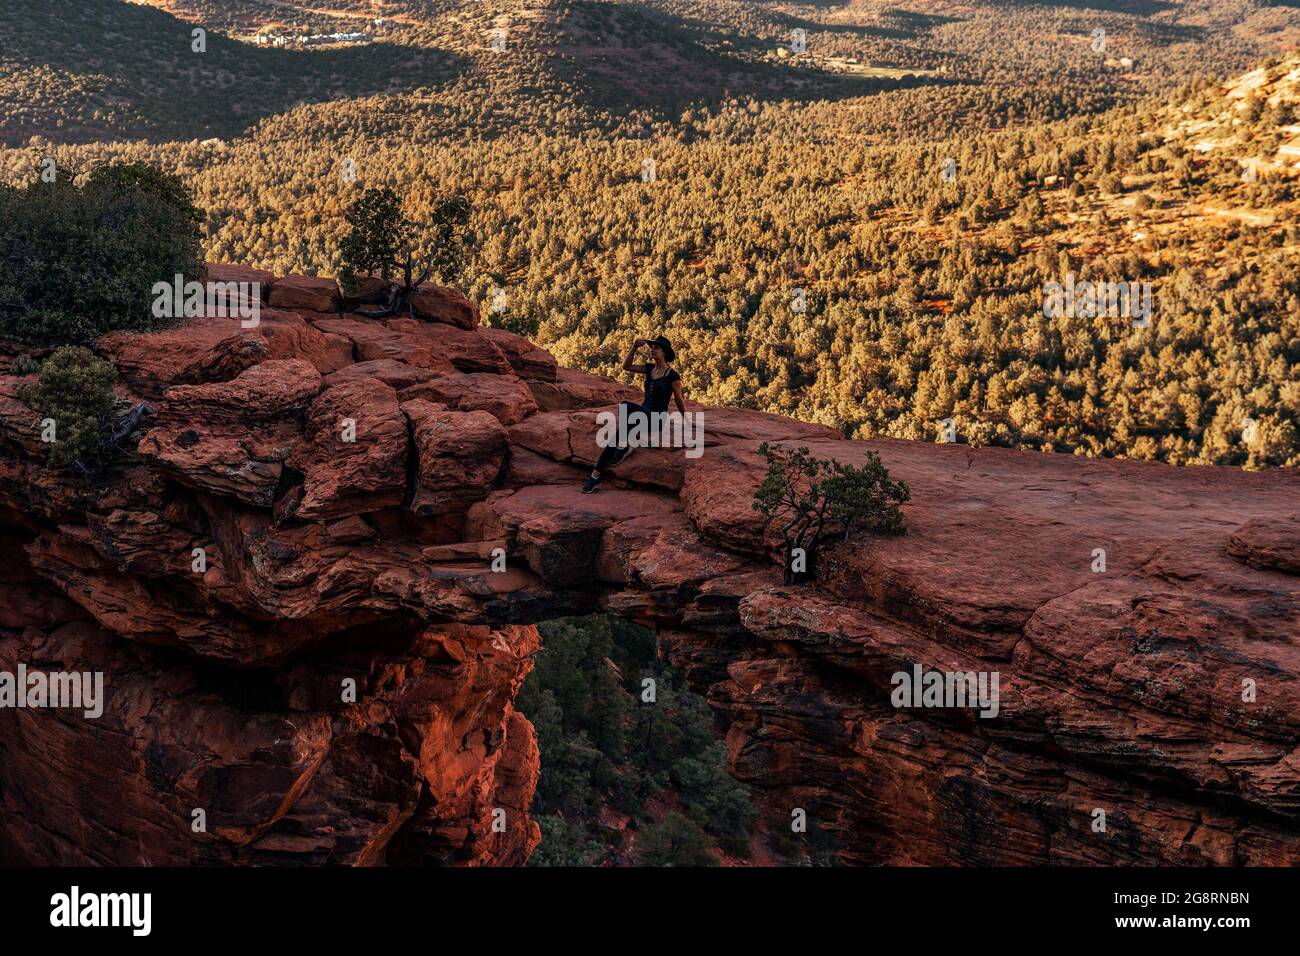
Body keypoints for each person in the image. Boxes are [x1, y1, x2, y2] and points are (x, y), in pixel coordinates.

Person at [582, 335, 685, 494]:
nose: (652, 350)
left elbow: (678, 399)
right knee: (615, 438)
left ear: (664, 352)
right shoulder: (650, 369)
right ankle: (595, 477)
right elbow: (626, 366)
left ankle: (625, 444)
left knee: (624, 406)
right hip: (641, 415)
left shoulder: (673, 376)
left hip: (657, 419)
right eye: (652, 347)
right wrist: (634, 347)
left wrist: (685, 419)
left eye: (656, 348)